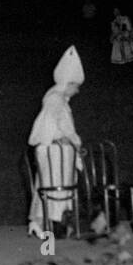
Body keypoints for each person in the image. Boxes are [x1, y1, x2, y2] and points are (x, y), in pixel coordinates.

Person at [28, 45, 84, 237]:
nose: (77, 91)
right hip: (55, 152)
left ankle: (43, 223)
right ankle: (49, 226)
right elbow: (64, 127)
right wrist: (74, 141)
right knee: (56, 188)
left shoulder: (55, 99)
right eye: (76, 86)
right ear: (68, 83)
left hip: (55, 152)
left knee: (51, 186)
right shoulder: (56, 100)